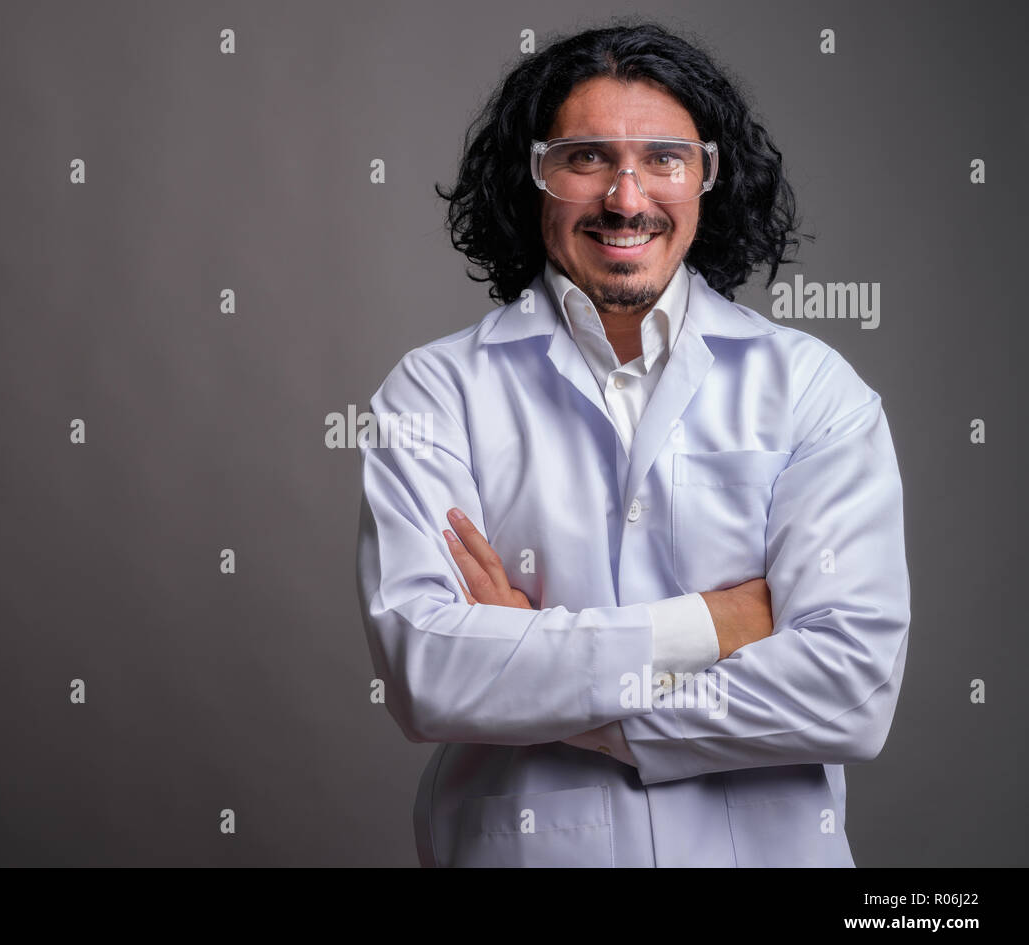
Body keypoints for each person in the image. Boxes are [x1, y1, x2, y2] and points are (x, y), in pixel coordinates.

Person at [354, 21, 909, 867]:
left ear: (708, 180)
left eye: (664, 158)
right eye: (585, 158)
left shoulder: (812, 387)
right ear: (532, 176)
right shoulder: (434, 393)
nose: (626, 197)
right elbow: (429, 673)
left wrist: (540, 678)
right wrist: (715, 622)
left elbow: (850, 690)